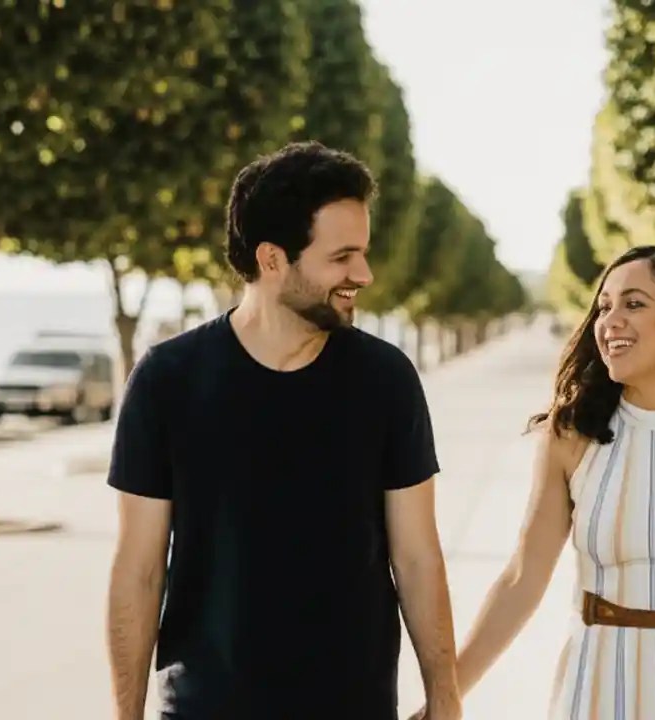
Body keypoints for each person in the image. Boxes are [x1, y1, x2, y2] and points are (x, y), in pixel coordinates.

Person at [106, 142, 461, 720]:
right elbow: (139, 569)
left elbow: (417, 556)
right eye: (342, 257)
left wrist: (445, 696)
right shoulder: (167, 380)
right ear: (273, 259)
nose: (363, 275)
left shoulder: (386, 379)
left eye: (363, 254)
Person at [417, 246, 655, 719]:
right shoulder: (572, 434)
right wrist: (447, 697)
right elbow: (523, 578)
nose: (611, 321)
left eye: (634, 304)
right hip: (600, 686)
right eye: (604, 307)